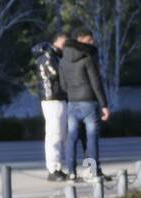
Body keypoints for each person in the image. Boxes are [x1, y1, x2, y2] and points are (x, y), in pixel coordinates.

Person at [61, 29, 110, 182]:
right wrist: (104, 105)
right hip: (89, 102)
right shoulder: (87, 58)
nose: (92, 43)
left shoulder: (63, 60)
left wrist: (72, 94)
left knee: (72, 138)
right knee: (91, 138)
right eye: (89, 40)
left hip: (72, 103)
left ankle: (71, 172)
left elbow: (63, 86)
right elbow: (96, 83)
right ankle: (93, 171)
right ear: (80, 39)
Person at [33, 34, 70, 182]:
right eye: (64, 42)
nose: (66, 45)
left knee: (60, 134)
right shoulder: (48, 56)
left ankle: (58, 167)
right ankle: (53, 168)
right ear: (56, 42)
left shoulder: (54, 56)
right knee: (54, 134)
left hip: (56, 97)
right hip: (52, 98)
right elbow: (56, 74)